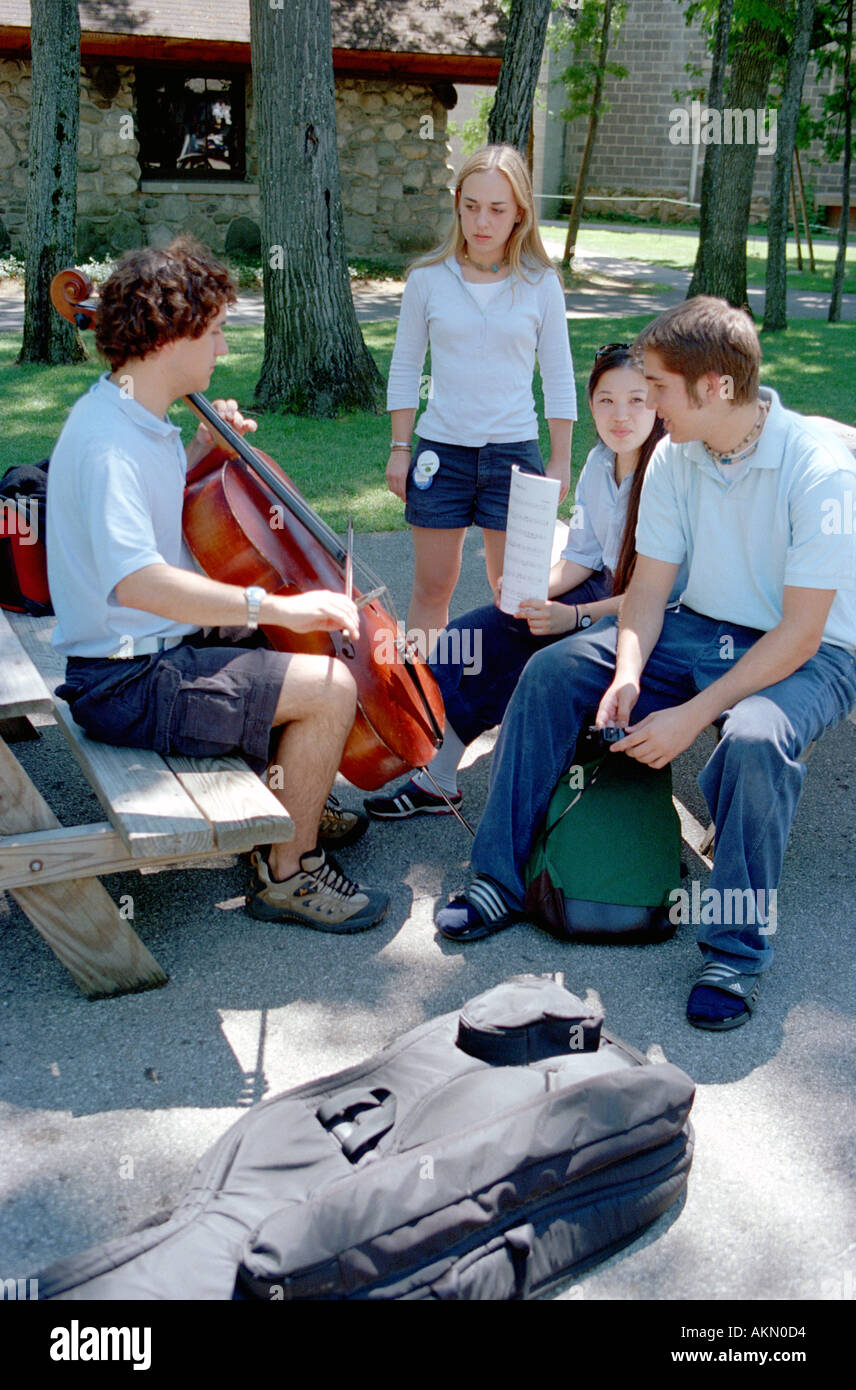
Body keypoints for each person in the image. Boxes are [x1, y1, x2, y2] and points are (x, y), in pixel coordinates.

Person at [435, 296, 856, 1031]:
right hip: (697, 627)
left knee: (754, 738)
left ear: (715, 387)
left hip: (810, 650)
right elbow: (649, 592)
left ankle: (734, 950)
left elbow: (800, 633)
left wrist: (692, 717)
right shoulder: (675, 457)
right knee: (557, 671)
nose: (649, 402)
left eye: (658, 387)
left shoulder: (815, 467)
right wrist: (628, 671)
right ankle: (498, 878)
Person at [46, 237, 389, 934]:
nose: (223, 349)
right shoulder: (110, 443)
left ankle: (293, 789)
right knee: (331, 688)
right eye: (215, 331)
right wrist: (275, 600)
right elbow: (140, 584)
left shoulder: (134, 417)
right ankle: (287, 873)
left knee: (292, 639)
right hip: (129, 680)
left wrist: (203, 455)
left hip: (142, 653)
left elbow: (153, 533)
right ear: (170, 337)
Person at [365, 343, 669, 819]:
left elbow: (662, 596)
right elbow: (583, 558)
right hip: (599, 591)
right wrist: (530, 588)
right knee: (469, 637)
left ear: (658, 402)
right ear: (590, 405)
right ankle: (434, 774)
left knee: (534, 656)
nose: (621, 415)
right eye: (606, 400)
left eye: (637, 399)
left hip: (644, 617)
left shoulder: (669, 477)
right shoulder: (597, 464)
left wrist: (573, 615)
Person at [385, 143, 577, 656]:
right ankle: (424, 707)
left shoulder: (541, 284)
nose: (481, 221)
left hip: (515, 457)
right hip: (439, 454)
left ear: (519, 213)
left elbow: (558, 376)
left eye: (496, 209)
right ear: (457, 204)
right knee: (431, 589)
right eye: (471, 206)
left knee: (514, 596)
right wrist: (400, 449)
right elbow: (406, 368)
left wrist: (560, 458)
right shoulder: (427, 279)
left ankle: (505, 712)